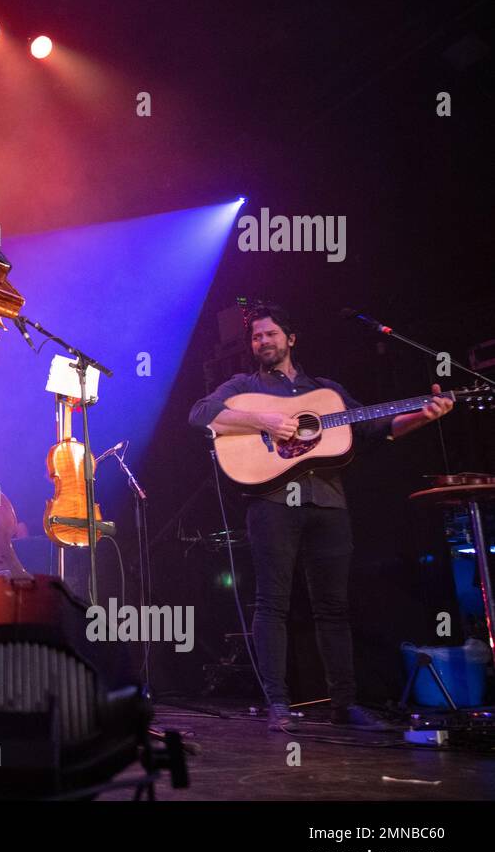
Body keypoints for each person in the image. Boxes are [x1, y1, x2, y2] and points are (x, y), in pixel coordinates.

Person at [189, 303, 453, 732]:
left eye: (271, 334)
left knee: (333, 607)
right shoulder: (243, 385)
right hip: (272, 501)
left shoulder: (326, 392)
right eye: (256, 337)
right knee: (271, 603)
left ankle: (344, 704)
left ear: (291, 338)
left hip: (329, 503)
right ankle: (278, 704)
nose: (263, 342)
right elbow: (200, 414)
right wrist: (268, 422)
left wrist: (421, 417)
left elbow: (375, 429)